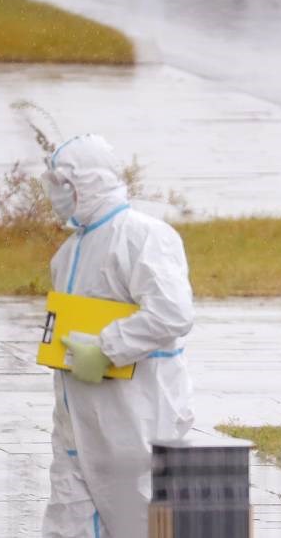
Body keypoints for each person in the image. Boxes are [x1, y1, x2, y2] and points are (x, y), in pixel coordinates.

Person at [39, 134, 194, 538]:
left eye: (64, 186)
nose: (56, 196)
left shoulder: (144, 236)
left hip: (136, 423)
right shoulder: (68, 252)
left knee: (141, 526)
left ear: (87, 182)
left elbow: (172, 312)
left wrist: (107, 348)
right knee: (67, 527)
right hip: (77, 426)